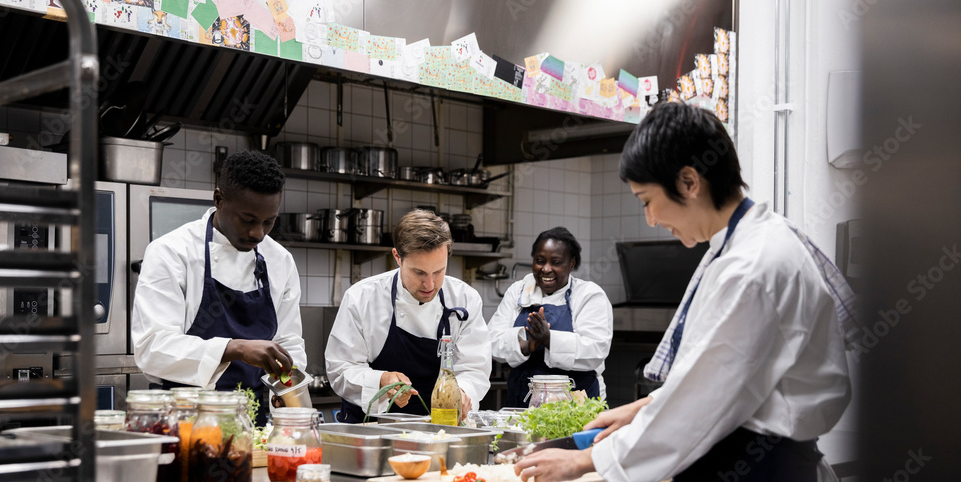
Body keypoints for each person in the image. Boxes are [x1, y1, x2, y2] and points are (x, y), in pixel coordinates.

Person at [514, 102, 857, 482]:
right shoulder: (750, 244)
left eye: (648, 201)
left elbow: (702, 404)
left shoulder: (752, 266)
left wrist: (584, 460)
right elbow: (730, 380)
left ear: (690, 181)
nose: (651, 219)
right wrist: (636, 411)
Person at [132, 150, 307, 423]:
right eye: (248, 220)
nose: (258, 233)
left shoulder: (279, 260)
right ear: (218, 199)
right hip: (185, 419)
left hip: (253, 420)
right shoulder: (171, 252)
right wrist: (234, 348)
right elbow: (152, 348)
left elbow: (288, 342)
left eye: (269, 222)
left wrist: (290, 396)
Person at [326, 209, 491, 422]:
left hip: (439, 428)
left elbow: (474, 367)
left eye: (439, 271)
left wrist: (463, 392)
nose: (430, 285)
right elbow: (341, 370)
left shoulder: (465, 299)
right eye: (419, 272)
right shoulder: (362, 298)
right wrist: (380, 381)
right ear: (397, 257)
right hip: (370, 430)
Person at [487, 227, 613, 407]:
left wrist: (549, 339)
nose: (546, 269)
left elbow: (596, 350)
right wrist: (526, 345)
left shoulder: (589, 295)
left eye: (556, 262)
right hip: (522, 403)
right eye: (539, 261)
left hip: (576, 405)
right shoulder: (519, 291)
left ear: (571, 264)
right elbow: (491, 342)